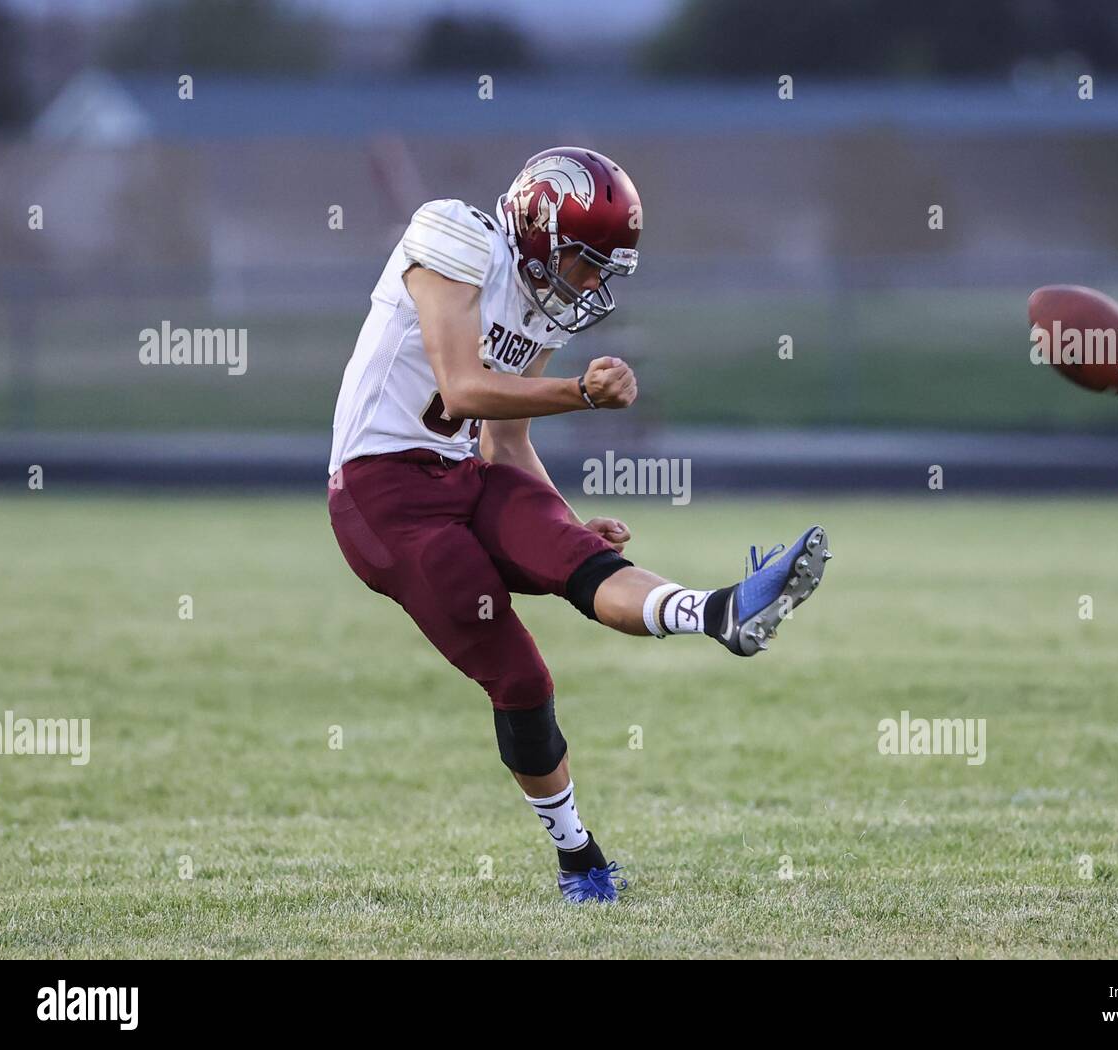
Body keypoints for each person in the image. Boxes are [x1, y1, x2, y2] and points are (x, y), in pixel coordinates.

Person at [328, 147, 831, 903]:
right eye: (587, 260)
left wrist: (561, 524)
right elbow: (463, 391)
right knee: (521, 676)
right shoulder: (453, 239)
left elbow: (506, 442)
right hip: (381, 497)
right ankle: (577, 856)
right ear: (537, 227)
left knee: (579, 556)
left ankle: (721, 610)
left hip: (464, 475)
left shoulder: (535, 301)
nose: (593, 281)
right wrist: (582, 394)